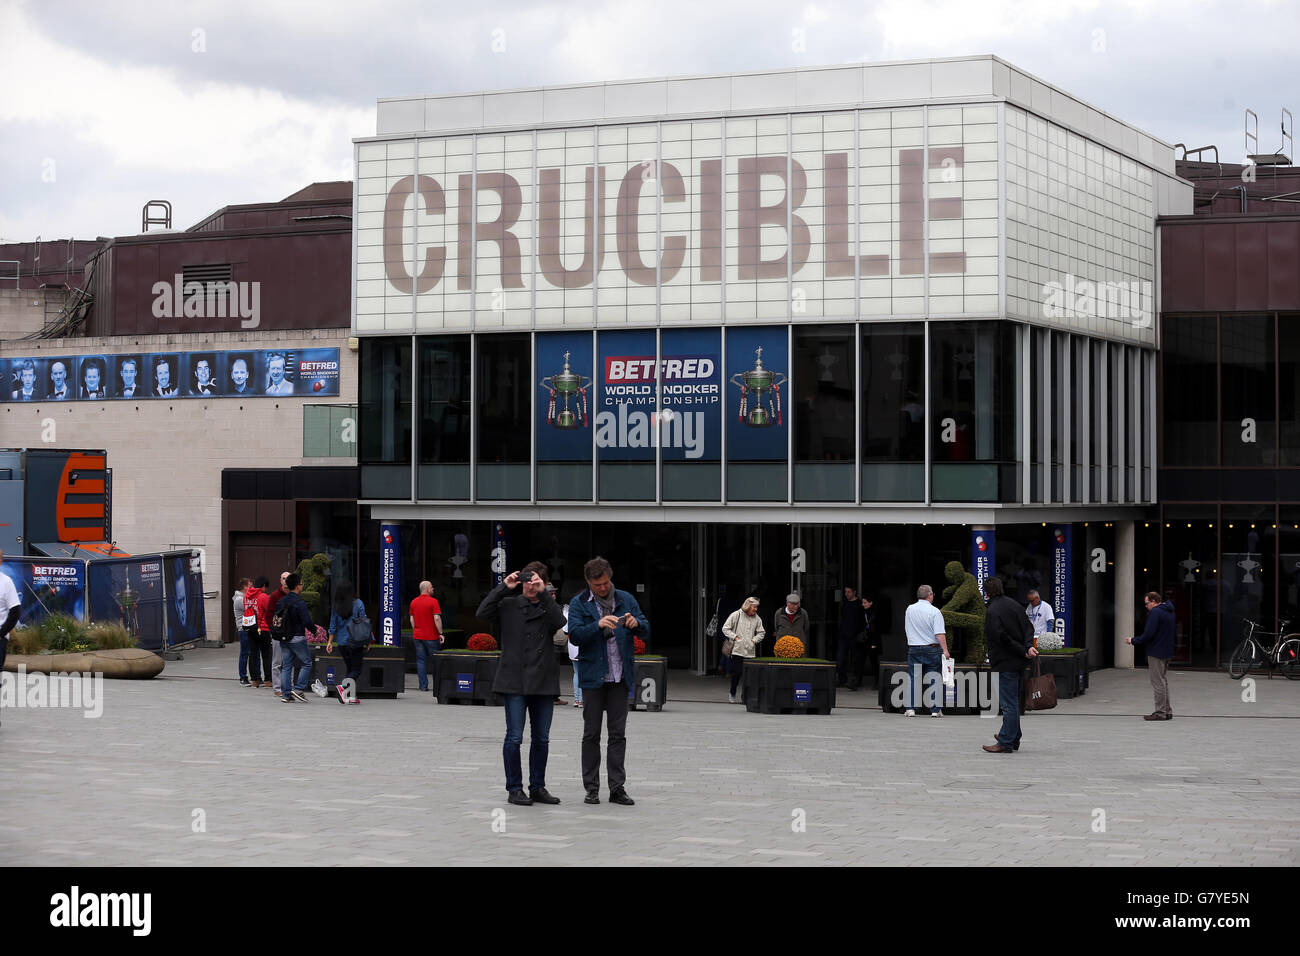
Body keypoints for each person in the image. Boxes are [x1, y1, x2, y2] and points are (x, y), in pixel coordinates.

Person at [477, 560, 566, 807]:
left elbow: (560, 622)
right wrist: (504, 586)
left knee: (542, 738)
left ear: (544, 583)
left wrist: (544, 594)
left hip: (543, 681)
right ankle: (514, 788)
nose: (529, 584)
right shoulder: (509, 604)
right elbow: (482, 612)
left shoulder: (549, 608)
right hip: (514, 680)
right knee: (514, 737)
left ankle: (538, 787)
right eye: (527, 580)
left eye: (535, 580)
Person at [568, 556, 647, 806]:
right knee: (591, 734)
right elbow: (575, 636)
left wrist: (636, 624)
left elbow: (646, 627)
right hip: (593, 677)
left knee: (617, 734)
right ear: (588, 582)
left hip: (619, 676)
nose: (602, 588)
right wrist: (597, 625)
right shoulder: (580, 603)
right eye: (596, 584)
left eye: (605, 583)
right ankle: (591, 788)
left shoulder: (625, 598)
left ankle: (617, 788)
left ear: (610, 577)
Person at [981, 577, 1038, 753]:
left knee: (1008, 704)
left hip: (1005, 661)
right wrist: (1028, 647)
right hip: (1020, 662)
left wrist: (1022, 649)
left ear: (987, 592)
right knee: (1013, 702)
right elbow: (1029, 627)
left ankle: (1005, 741)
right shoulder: (1014, 605)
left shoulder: (992, 611)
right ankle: (1013, 737)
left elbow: (1002, 638)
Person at [904, 584, 951, 717]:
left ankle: (910, 708)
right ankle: (935, 710)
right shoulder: (935, 611)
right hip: (932, 649)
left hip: (914, 649)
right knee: (934, 678)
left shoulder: (909, 609)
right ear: (930, 595)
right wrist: (945, 650)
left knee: (914, 678)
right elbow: (939, 634)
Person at [1128, 591, 1175, 721]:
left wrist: (1133, 640)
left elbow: (1149, 634)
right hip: (1167, 650)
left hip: (1156, 651)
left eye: (1147, 603)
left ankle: (1160, 712)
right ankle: (1167, 711)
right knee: (1163, 681)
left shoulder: (1155, 612)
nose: (1146, 606)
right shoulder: (1169, 611)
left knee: (1158, 682)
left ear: (1154, 601)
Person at [326, 582, 369, 704]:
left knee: (350, 668)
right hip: (355, 641)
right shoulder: (358, 603)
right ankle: (343, 687)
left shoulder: (336, 606)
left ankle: (350, 696)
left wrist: (329, 642)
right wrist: (369, 640)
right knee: (357, 670)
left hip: (342, 642)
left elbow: (332, 625)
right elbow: (364, 622)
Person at [277, 572, 317, 703]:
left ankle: (286, 694)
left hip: (284, 637)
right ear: (297, 586)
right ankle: (298, 688)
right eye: (301, 584)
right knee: (307, 663)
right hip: (297, 637)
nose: (302, 586)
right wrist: (314, 630)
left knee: (287, 666)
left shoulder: (281, 601)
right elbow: (307, 620)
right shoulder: (299, 602)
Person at [722, 596, 764, 704]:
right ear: (748, 606)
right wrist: (735, 637)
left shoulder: (757, 618)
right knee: (737, 673)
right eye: (754, 607)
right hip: (737, 650)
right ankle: (732, 692)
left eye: (756, 607)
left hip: (750, 652)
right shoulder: (736, 615)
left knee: (749, 677)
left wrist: (754, 640)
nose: (756, 609)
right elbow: (725, 628)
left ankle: (745, 696)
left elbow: (761, 632)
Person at [409, 580, 443, 693]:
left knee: (421, 661)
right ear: (427, 589)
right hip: (431, 636)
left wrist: (416, 630)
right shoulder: (433, 602)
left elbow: (412, 619)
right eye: (432, 587)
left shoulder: (413, 602)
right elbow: (437, 618)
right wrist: (440, 633)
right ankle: (438, 686)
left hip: (418, 636)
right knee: (435, 661)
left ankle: (423, 686)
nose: (433, 589)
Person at [265, 571, 290, 696]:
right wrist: (273, 629)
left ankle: (288, 686)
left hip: (290, 633)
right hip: (278, 633)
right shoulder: (275, 595)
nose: (285, 581)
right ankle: (277, 688)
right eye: (283, 578)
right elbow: (269, 614)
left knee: (288, 661)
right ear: (280, 580)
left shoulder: (293, 594)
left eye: (288, 578)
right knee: (277, 661)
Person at [244, 576, 271, 688]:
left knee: (253, 655)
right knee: (266, 655)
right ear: (264, 586)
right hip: (263, 628)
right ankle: (268, 680)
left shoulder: (246, 596)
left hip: (251, 628)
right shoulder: (263, 596)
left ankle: (255, 680)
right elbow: (270, 611)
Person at [837, 585, 866, 688]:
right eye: (845, 592)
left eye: (849, 592)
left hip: (855, 636)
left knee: (855, 660)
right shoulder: (844, 604)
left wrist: (860, 634)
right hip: (844, 635)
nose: (846, 594)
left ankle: (855, 681)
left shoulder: (859, 605)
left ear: (854, 592)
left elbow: (862, 621)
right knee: (841, 659)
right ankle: (842, 679)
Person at [232, 577, 252, 686]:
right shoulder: (240, 599)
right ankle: (243, 677)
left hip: (249, 628)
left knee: (251, 653)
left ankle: (254, 676)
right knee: (245, 653)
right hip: (244, 629)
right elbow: (251, 608)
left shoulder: (244, 597)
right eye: (250, 586)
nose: (251, 588)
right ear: (244, 587)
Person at [861, 595, 881, 689]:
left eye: (865, 602)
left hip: (873, 641)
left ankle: (877, 682)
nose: (863, 604)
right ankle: (857, 681)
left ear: (870, 603)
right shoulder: (863, 613)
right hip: (866, 640)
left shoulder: (874, 615)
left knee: (874, 662)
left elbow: (876, 631)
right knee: (860, 661)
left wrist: (874, 643)